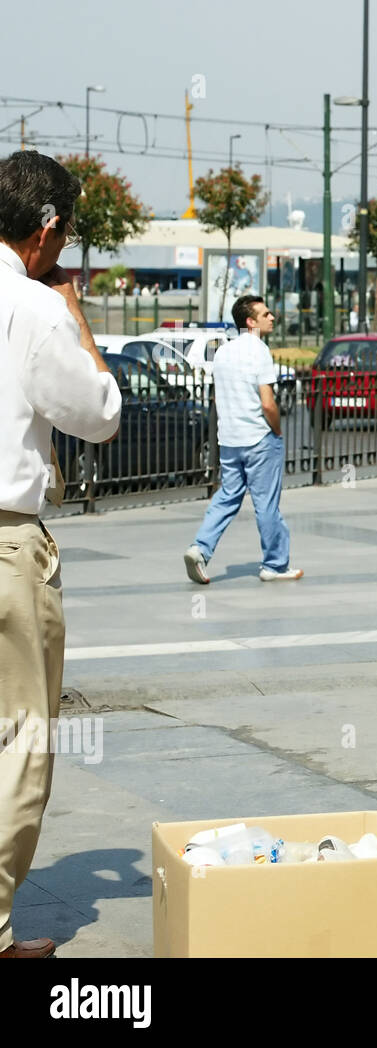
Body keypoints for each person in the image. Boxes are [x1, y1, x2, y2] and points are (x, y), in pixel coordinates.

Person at [0, 151, 122, 958]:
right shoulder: (33, 307)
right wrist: (73, 312)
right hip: (7, 543)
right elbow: (100, 411)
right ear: (47, 231)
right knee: (20, 741)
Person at [183, 295, 302, 584]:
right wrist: (277, 431)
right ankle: (274, 565)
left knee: (227, 497)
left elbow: (217, 397)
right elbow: (268, 404)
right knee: (266, 504)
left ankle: (200, 548)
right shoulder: (259, 350)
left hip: (230, 440)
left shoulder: (223, 353)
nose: (272, 317)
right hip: (259, 439)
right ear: (251, 322)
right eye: (265, 314)